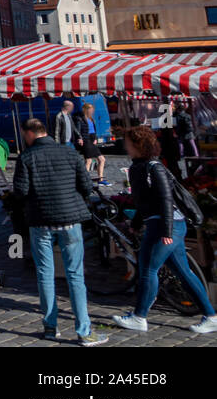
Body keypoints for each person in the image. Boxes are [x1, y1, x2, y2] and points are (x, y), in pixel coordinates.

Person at [112, 125, 217, 335]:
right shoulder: (139, 167)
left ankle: (140, 317)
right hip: (162, 223)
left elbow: (166, 200)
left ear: (138, 145)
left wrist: (167, 232)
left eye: (129, 143)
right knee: (182, 271)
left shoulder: (153, 167)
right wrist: (135, 224)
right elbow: (144, 201)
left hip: (165, 225)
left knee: (148, 268)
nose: (126, 146)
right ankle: (211, 316)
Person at [12, 118, 105, 345]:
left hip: (41, 221)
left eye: (25, 135)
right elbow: (86, 186)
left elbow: (21, 191)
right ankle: (84, 331)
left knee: (45, 274)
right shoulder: (70, 153)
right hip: (70, 220)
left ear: (30, 133)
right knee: (75, 275)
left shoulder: (26, 157)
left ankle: (50, 327)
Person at [76, 102, 107, 185]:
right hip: (86, 141)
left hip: (92, 140)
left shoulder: (90, 118)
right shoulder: (80, 118)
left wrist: (95, 138)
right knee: (88, 160)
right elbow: (78, 130)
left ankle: (100, 179)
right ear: (86, 110)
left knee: (101, 159)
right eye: (90, 109)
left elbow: (93, 129)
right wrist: (80, 138)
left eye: (92, 110)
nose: (92, 111)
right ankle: (85, 180)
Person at [174, 102, 198, 174]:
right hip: (189, 132)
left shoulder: (178, 116)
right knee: (192, 143)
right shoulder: (188, 115)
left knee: (181, 144)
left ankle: (181, 155)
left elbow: (177, 126)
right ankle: (196, 154)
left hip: (182, 133)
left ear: (178, 110)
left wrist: (177, 133)